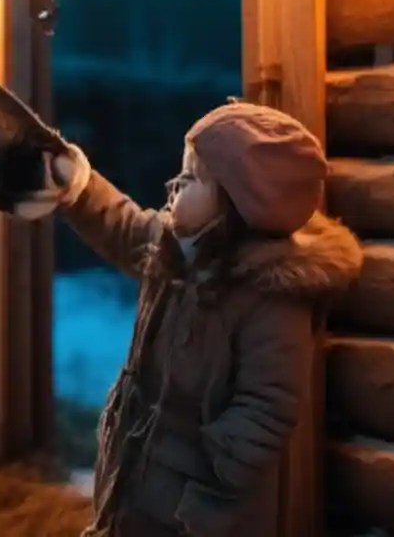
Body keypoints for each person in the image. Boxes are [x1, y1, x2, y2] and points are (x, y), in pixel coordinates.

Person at [51, 102, 364, 537]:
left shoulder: (271, 298)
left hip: (193, 511)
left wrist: (207, 483)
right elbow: (122, 227)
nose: (173, 184)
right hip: (137, 478)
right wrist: (78, 186)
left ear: (238, 205)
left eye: (193, 176)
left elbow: (266, 407)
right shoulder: (175, 251)